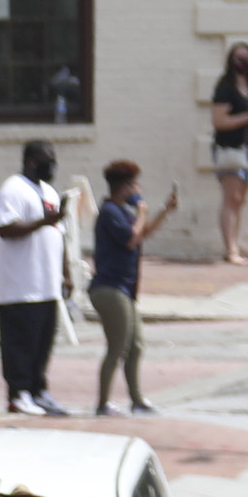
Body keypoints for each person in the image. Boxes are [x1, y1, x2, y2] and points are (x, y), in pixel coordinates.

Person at [0, 140, 74, 417]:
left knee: (42, 343)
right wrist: (43, 222)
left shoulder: (49, 192)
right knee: (20, 345)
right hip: (19, 287)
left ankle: (38, 391)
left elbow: (59, 234)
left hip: (47, 285)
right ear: (31, 160)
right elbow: (6, 228)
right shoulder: (13, 189)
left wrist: (66, 273)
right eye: (48, 158)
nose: (53, 164)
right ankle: (18, 394)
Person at [90, 160, 168, 416]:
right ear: (125, 188)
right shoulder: (110, 212)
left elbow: (141, 233)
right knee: (117, 347)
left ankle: (137, 400)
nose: (138, 190)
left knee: (135, 346)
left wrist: (165, 212)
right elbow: (131, 238)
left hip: (125, 288)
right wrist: (143, 212)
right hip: (109, 288)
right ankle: (102, 403)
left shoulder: (123, 213)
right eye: (135, 185)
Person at [210, 41, 248, 265]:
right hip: (231, 148)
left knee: (240, 201)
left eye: (246, 58)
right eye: (238, 58)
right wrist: (246, 117)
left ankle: (234, 244)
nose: (242, 63)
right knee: (231, 199)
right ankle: (230, 249)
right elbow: (219, 120)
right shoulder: (225, 88)